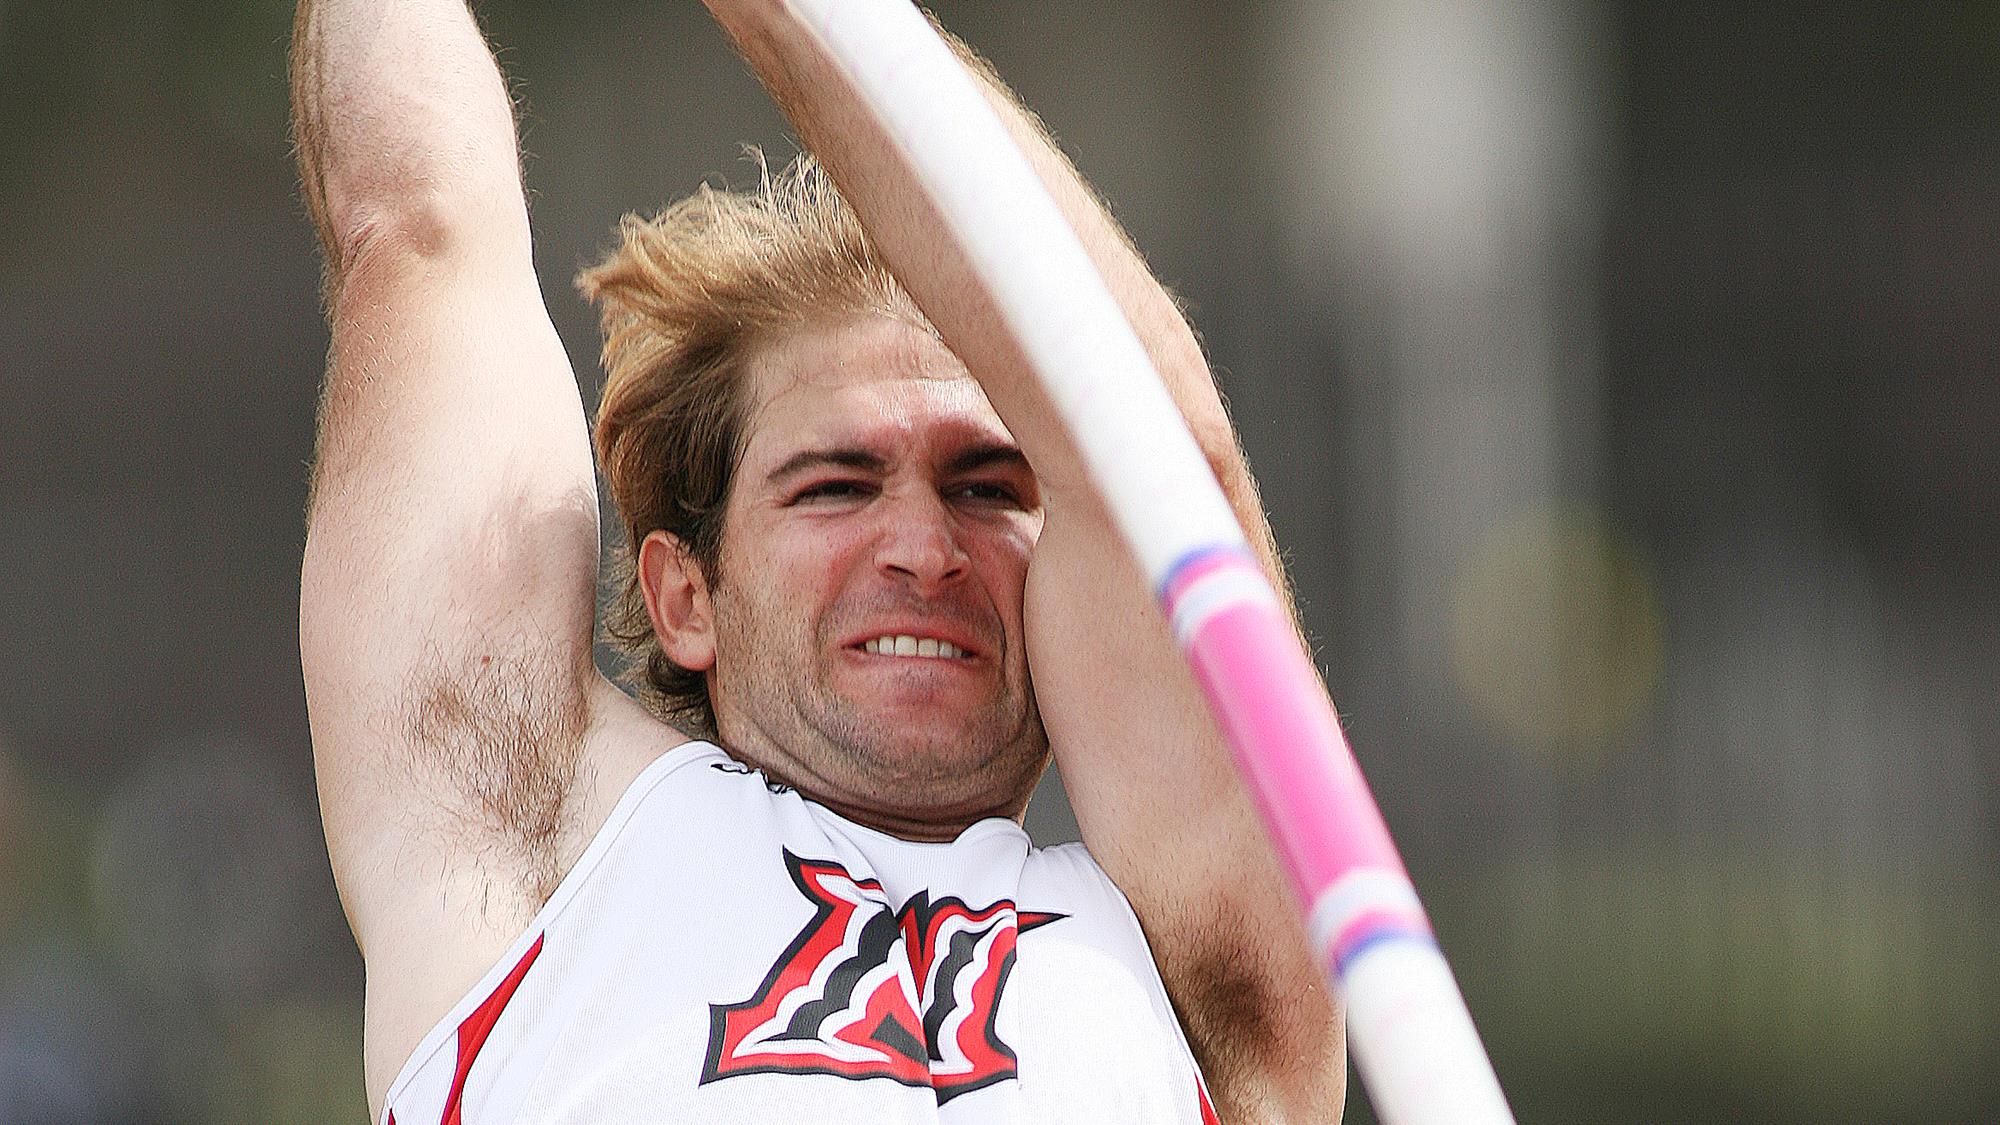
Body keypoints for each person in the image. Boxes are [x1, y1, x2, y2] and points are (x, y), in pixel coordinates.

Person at [290, 1, 1344, 1121]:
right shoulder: (529, 844)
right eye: (835, 485)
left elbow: (1161, 453)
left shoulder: (1191, 971)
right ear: (684, 596)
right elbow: (417, 230)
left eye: (986, 487)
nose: (924, 550)